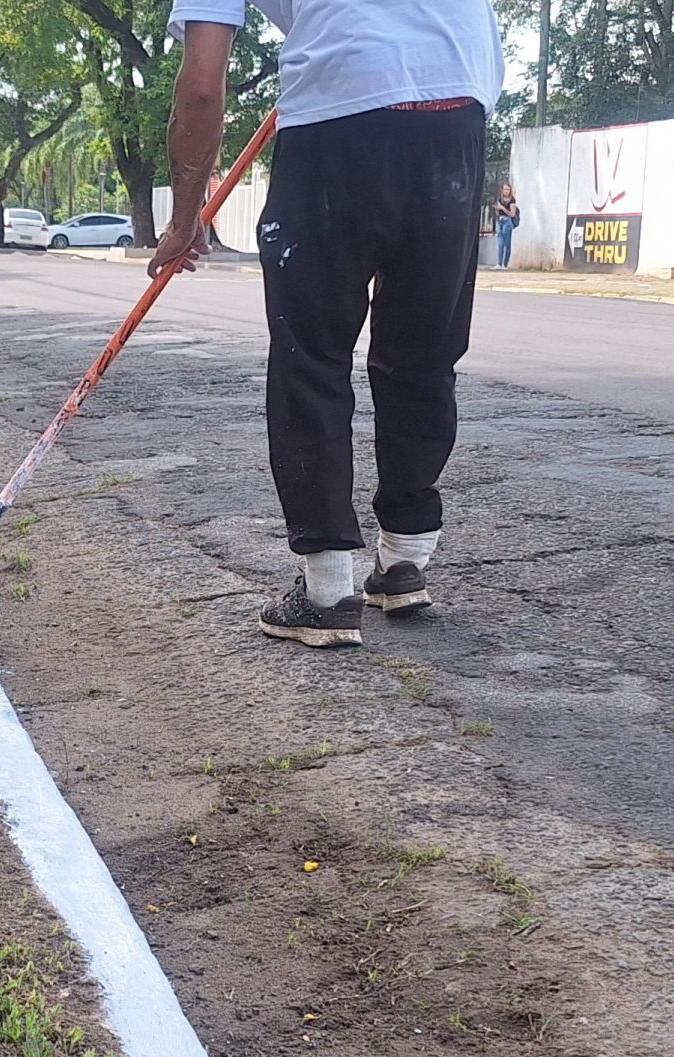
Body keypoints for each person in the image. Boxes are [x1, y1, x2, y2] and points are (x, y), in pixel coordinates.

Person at [152, 1, 502, 648]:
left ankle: (327, 591)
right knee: (423, 349)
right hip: (455, 110)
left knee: (310, 354)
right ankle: (405, 560)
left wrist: (184, 217)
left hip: (335, 123)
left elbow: (200, 86)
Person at [493, 184, 520, 268]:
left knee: (506, 243)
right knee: (500, 243)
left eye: (508, 189)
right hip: (500, 221)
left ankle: (505, 264)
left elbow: (512, 214)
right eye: (505, 189)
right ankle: (499, 263)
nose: (506, 191)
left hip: (507, 222)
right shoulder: (500, 199)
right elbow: (497, 213)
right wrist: (497, 209)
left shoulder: (512, 200)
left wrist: (503, 208)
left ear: (510, 191)